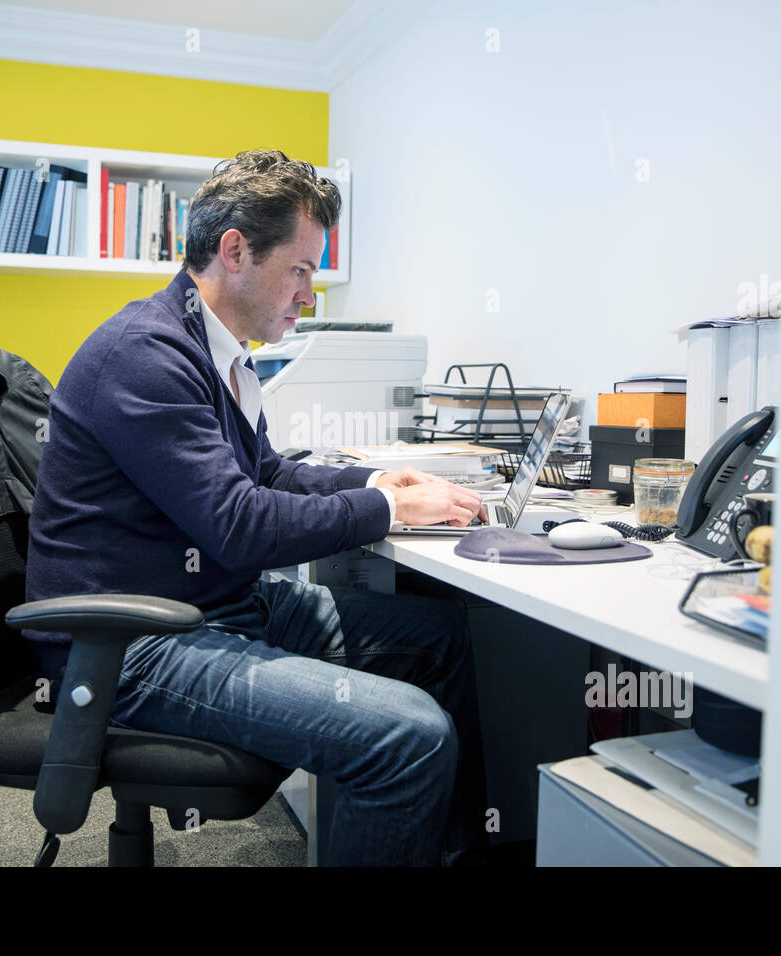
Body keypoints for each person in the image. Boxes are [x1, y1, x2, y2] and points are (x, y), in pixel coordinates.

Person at [24, 149, 490, 866]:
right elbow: (240, 525)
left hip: (212, 607)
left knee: (439, 635)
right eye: (301, 270)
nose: (310, 293)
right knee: (408, 734)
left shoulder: (215, 352)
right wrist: (387, 513)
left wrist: (382, 485)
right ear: (235, 251)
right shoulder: (144, 356)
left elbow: (267, 475)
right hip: (134, 646)